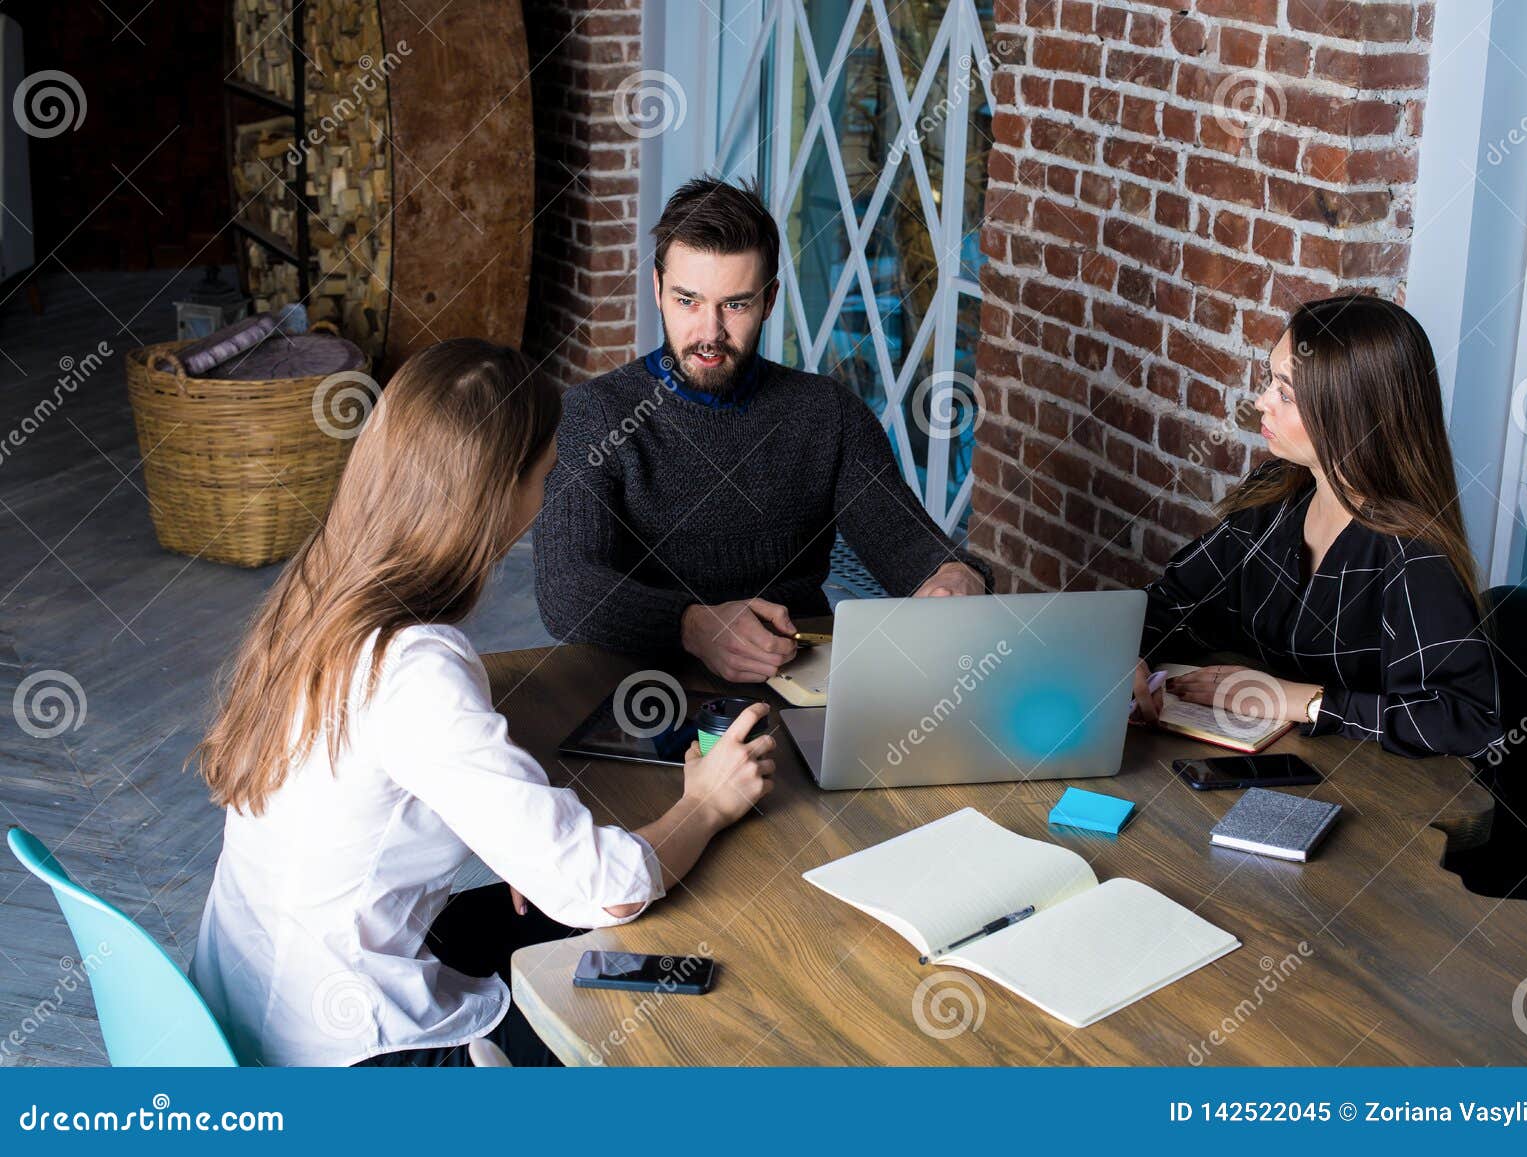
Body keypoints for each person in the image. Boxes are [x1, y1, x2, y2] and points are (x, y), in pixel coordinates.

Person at [187, 339, 777, 1067]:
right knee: (666, 983)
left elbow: (397, 762)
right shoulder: (416, 672)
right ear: (499, 493)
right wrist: (707, 803)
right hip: (347, 1058)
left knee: (563, 922)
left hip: (248, 1010)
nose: (548, 492)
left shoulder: (319, 595)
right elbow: (608, 889)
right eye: (545, 472)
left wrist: (523, 830)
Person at [532, 176, 990, 684]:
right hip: (644, 688)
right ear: (658, 289)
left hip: (798, 683)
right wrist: (692, 624)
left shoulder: (826, 414)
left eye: (735, 304)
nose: (709, 333)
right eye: (688, 301)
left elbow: (908, 547)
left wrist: (956, 576)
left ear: (769, 302)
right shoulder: (594, 416)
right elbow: (567, 589)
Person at [1131, 295, 1502, 760]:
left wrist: (1294, 698)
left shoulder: (1413, 554)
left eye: (1285, 394)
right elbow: (1173, 602)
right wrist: (1130, 657)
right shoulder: (1275, 497)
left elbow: (1465, 720)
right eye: (1271, 381)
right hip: (1252, 761)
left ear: (1349, 413)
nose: (1260, 402)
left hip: (1373, 801)